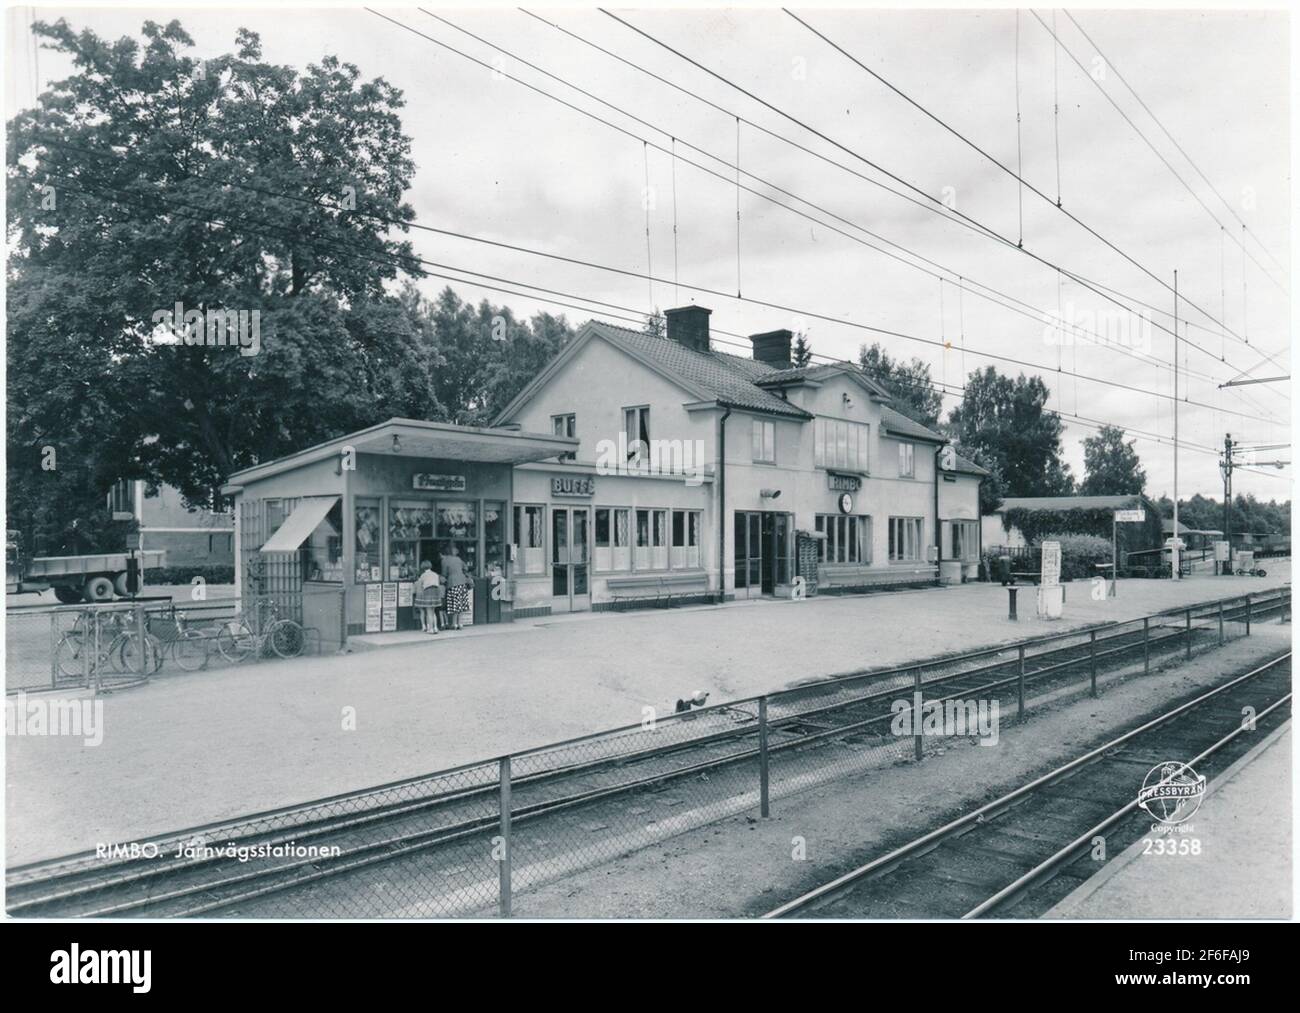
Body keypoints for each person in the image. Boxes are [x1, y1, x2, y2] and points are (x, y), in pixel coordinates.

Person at [440, 544, 470, 631]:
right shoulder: (458, 559)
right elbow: (466, 568)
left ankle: (454, 624)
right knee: (460, 604)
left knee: (454, 605)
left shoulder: (445, 560)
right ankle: (460, 623)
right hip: (462, 582)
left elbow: (444, 574)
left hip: (452, 583)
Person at [414, 560, 441, 634]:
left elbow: (420, 586)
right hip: (436, 592)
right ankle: (435, 628)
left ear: (423, 567)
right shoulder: (435, 574)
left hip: (428, 591)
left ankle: (431, 629)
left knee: (429, 612)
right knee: (433, 611)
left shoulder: (423, 575)